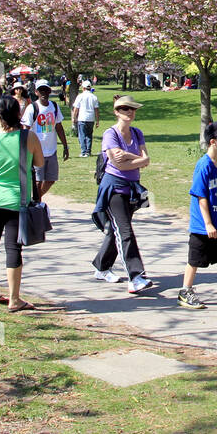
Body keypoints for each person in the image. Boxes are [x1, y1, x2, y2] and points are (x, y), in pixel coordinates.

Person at [0, 95, 44, 312]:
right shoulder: (29, 138)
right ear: (19, 114)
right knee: (13, 248)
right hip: (17, 201)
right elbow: (40, 163)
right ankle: (15, 299)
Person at [92, 95, 154, 293]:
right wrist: (139, 158)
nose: (130, 112)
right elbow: (118, 164)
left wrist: (129, 156)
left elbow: (146, 160)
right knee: (125, 231)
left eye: (132, 109)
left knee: (117, 230)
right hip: (114, 189)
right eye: (125, 109)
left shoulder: (137, 133)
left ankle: (101, 266)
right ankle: (136, 276)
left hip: (133, 189)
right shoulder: (110, 134)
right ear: (117, 112)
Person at [179, 120, 217, 310]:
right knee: (195, 259)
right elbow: (200, 196)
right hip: (202, 225)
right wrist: (208, 224)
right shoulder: (203, 165)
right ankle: (185, 291)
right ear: (213, 141)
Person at [22, 80, 69, 195]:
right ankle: (36, 203)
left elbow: (59, 127)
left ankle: (35, 199)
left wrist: (65, 146)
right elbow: (25, 129)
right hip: (37, 151)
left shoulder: (54, 106)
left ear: (49, 91)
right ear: (36, 92)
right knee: (38, 181)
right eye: (41, 90)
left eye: (46, 90)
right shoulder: (32, 108)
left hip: (51, 150)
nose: (44, 93)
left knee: (51, 179)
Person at [72, 79, 100, 157]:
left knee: (82, 135)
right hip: (91, 118)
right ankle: (88, 151)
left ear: (83, 88)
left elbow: (76, 108)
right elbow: (96, 109)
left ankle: (83, 151)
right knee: (89, 135)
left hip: (82, 117)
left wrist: (74, 117)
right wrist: (97, 120)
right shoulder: (94, 97)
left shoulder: (80, 96)